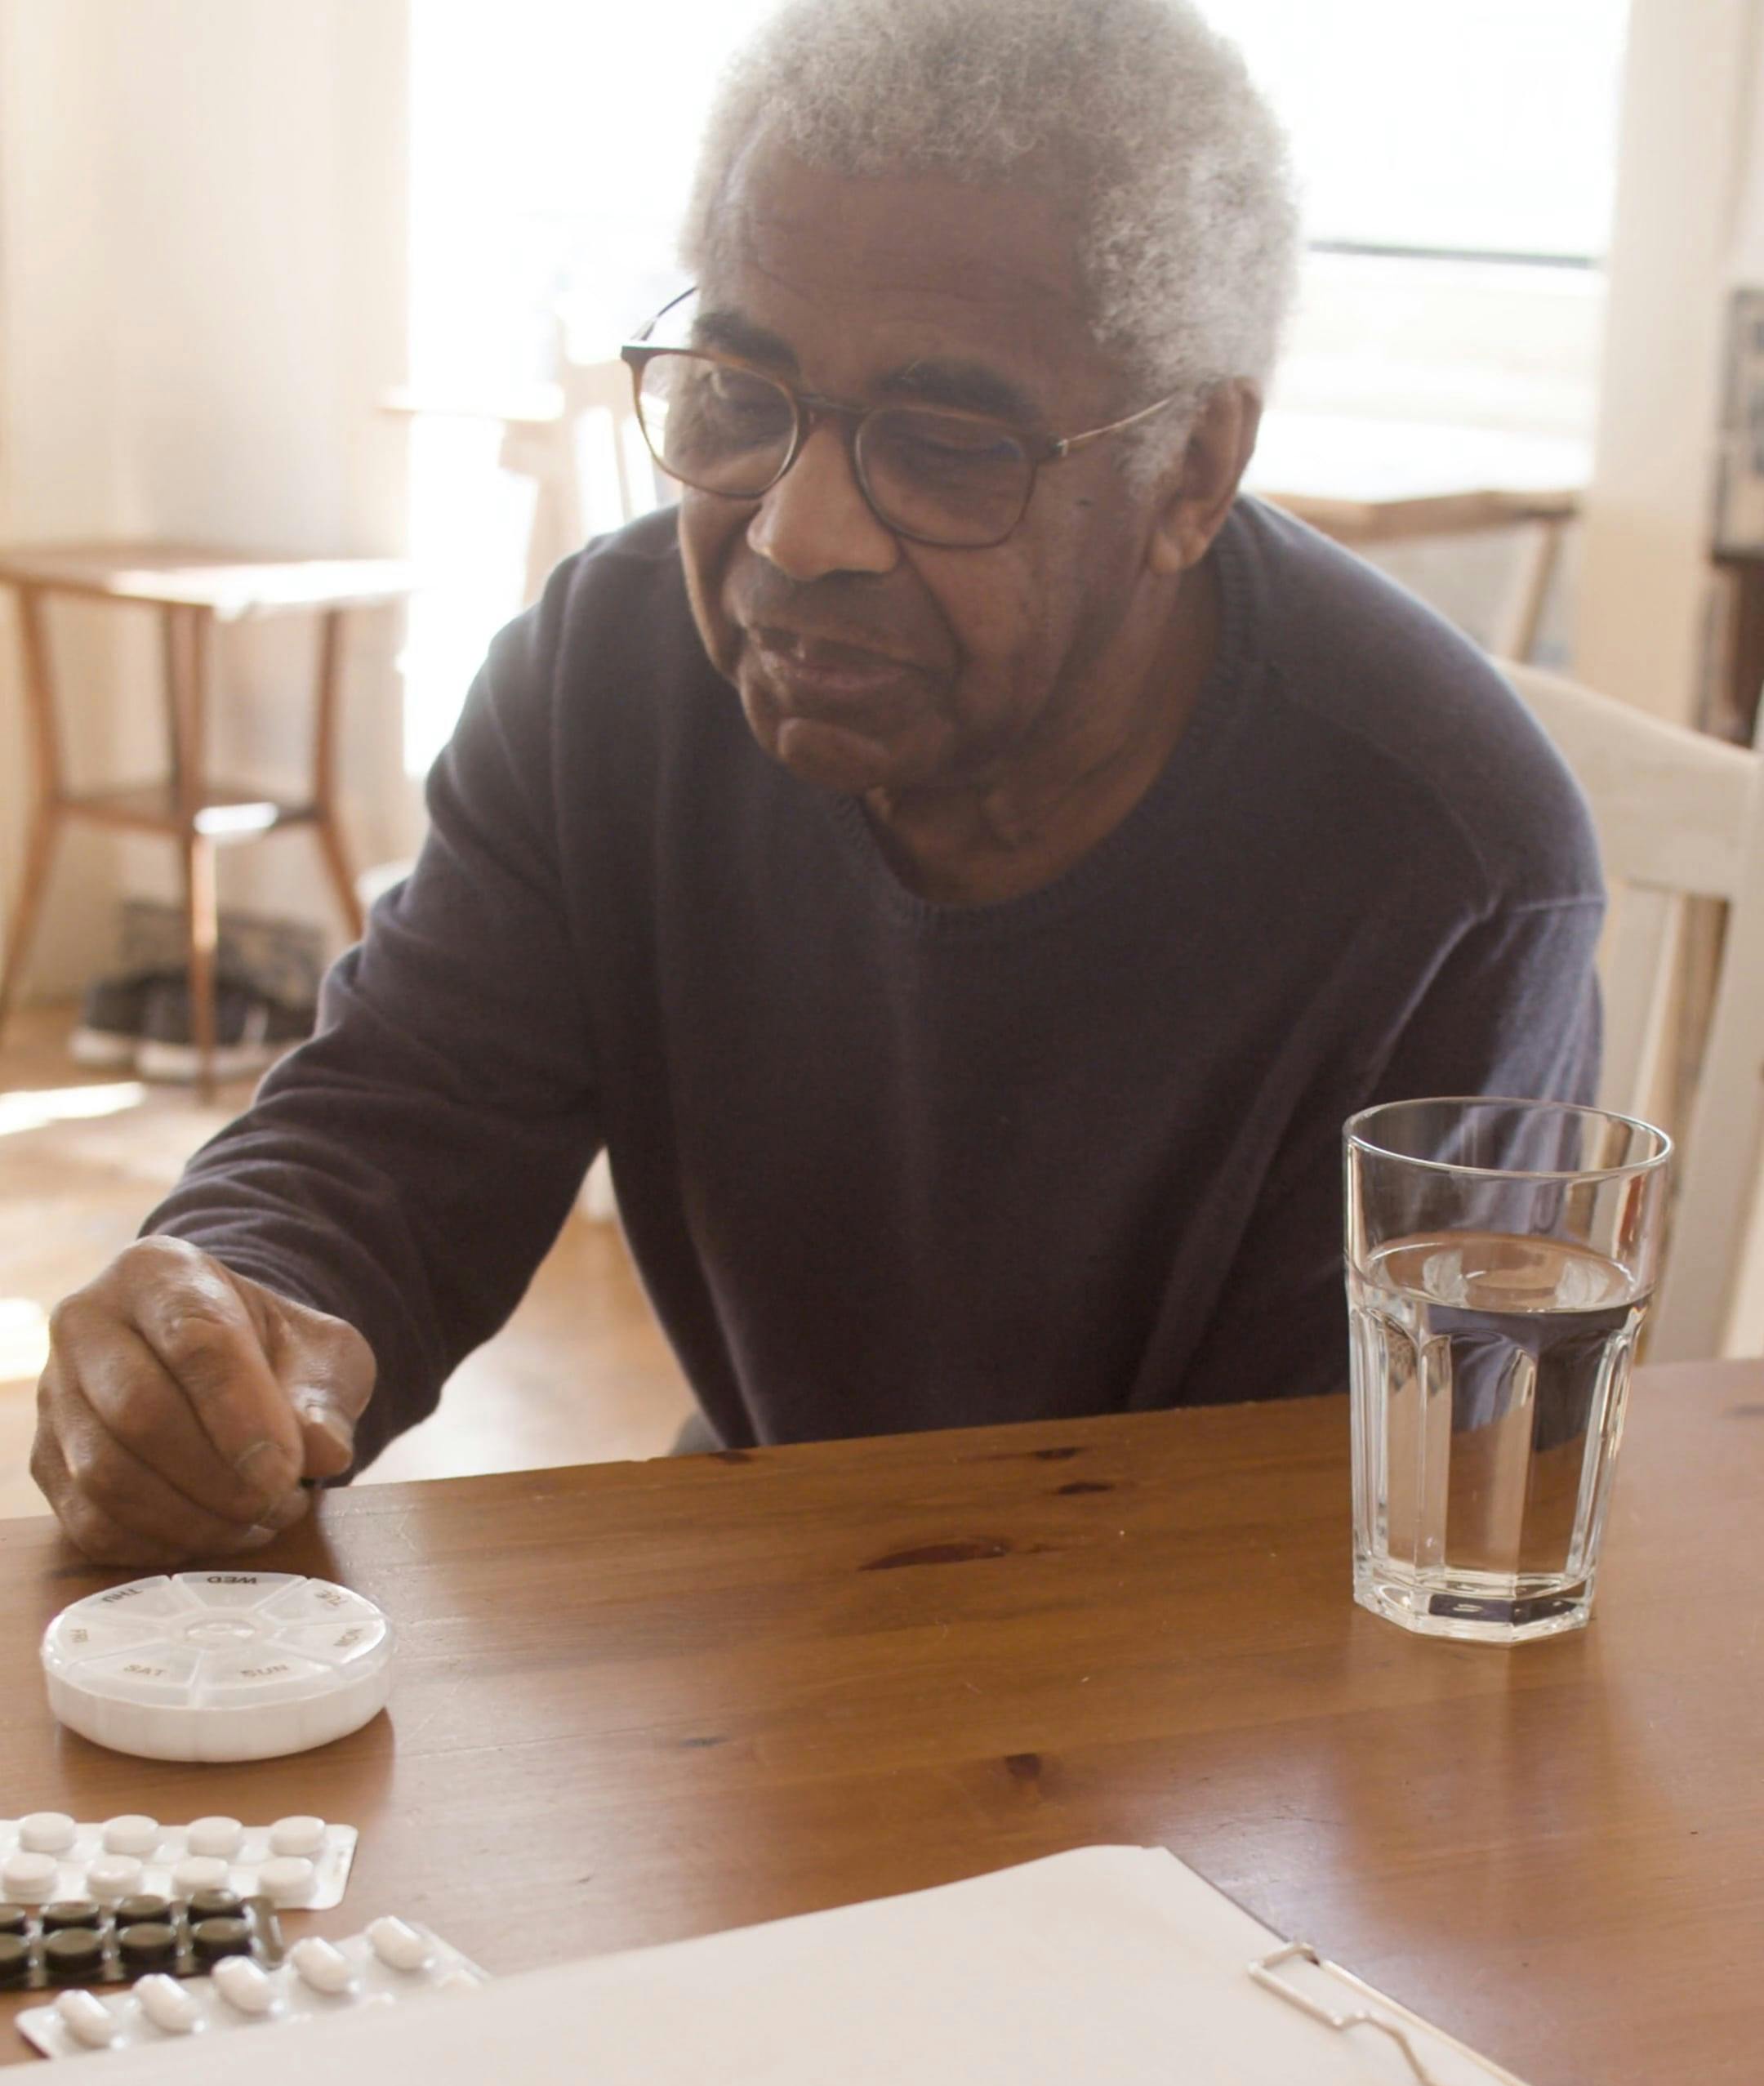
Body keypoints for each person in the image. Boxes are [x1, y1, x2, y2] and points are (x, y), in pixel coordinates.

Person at [33, 0, 1602, 1569]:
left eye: (943, 441)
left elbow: (1313, 1527)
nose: (797, 538)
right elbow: (391, 1133)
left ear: (1189, 470)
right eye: (737, 392)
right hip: (781, 1585)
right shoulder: (611, 678)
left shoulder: (1446, 862)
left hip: (1186, 1703)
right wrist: (229, 1318)